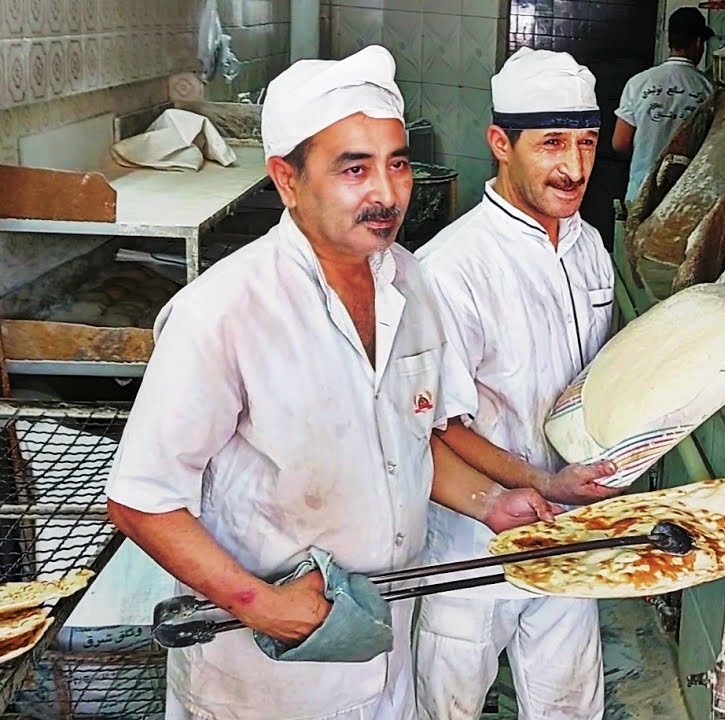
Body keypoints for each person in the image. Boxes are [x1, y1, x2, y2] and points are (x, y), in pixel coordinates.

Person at [104, 46, 555, 720]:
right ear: (287, 179)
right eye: (353, 168)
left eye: (396, 163)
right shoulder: (224, 312)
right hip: (264, 681)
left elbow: (404, 440)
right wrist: (261, 604)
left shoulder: (410, 283)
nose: (386, 193)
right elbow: (140, 499)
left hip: (381, 653)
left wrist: (491, 501)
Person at [412, 47, 624, 719]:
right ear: (501, 144)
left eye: (587, 143)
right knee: (448, 706)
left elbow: (602, 380)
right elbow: (442, 424)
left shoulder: (589, 246)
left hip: (569, 534)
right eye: (552, 143)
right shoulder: (451, 268)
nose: (575, 167)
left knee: (569, 706)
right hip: (473, 546)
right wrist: (539, 481)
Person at [613, 7, 717, 205]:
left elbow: (620, 143)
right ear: (698, 43)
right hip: (684, 198)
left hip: (641, 192)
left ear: (670, 41)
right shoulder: (708, 89)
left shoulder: (638, 82)